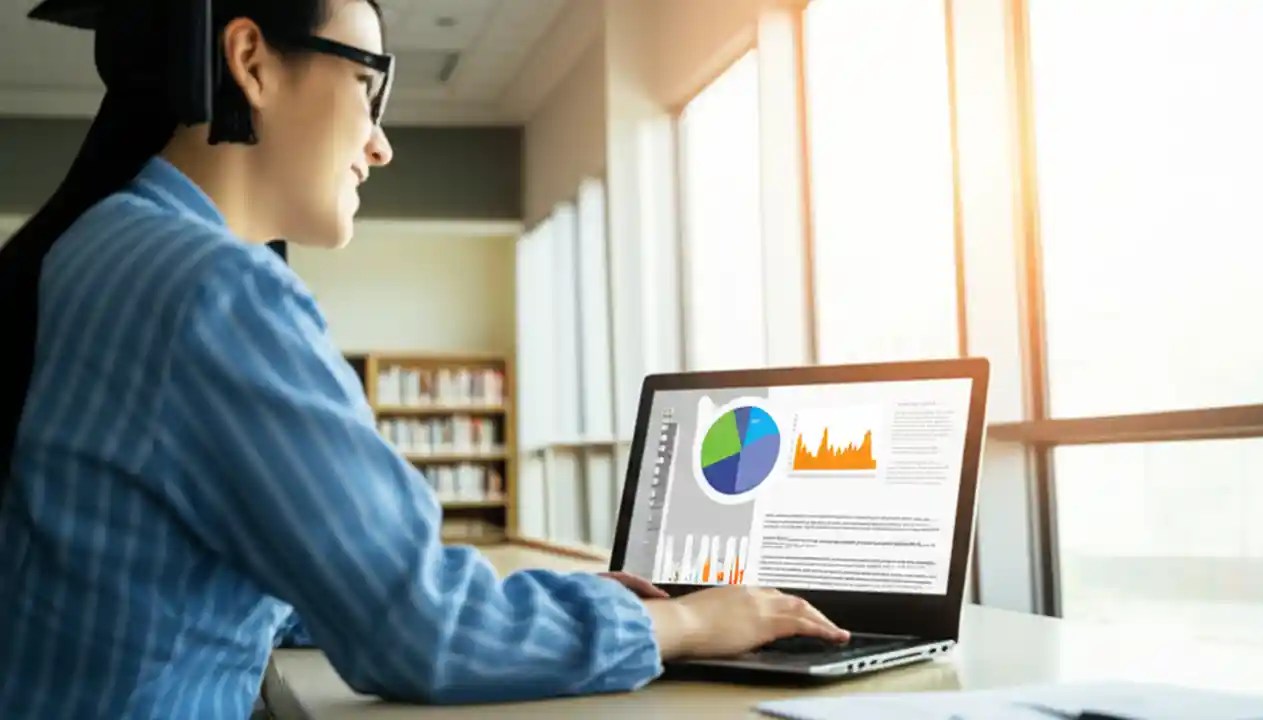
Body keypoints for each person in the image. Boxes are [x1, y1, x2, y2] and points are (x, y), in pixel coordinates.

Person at [0, 0, 851, 717]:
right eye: (368, 87)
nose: (380, 144)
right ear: (251, 63)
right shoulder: (217, 289)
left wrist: (576, 600)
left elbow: (240, 573)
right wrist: (689, 628)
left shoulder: (96, 246)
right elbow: (417, 632)